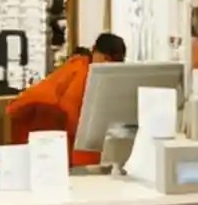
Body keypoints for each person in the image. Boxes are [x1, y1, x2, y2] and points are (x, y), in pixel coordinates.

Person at [7, 33, 126, 167]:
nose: (107, 64)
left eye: (112, 62)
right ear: (94, 51)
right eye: (105, 59)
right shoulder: (81, 70)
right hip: (46, 131)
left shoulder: (103, 74)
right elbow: (72, 113)